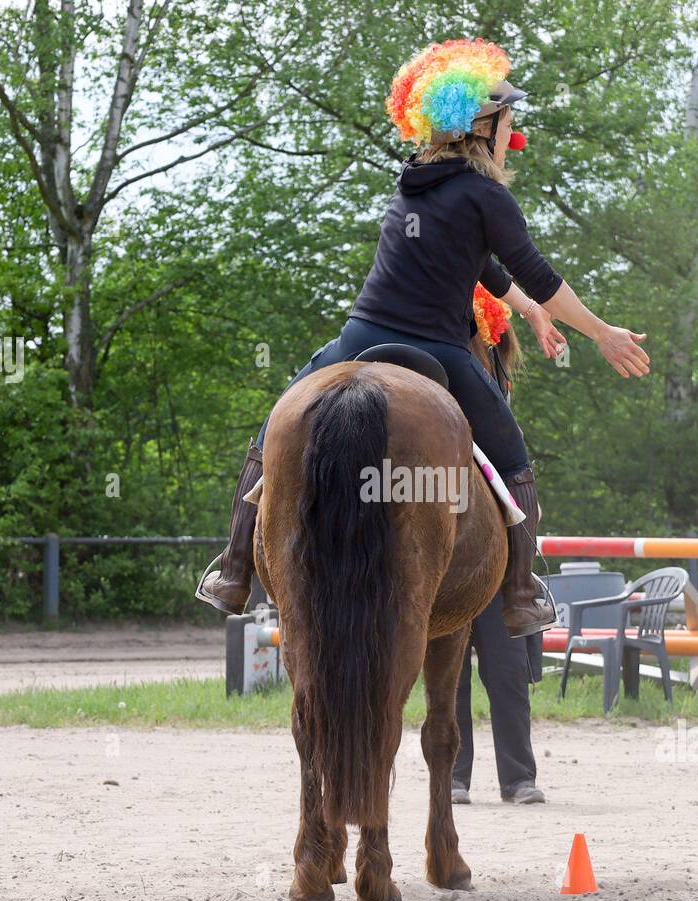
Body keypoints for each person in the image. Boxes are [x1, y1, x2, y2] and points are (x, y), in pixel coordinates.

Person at [197, 37, 649, 637]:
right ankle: (519, 592)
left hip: (357, 337)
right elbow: (537, 274)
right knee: (512, 459)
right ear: (482, 124)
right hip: (435, 349)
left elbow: (483, 269)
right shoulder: (488, 195)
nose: (515, 128)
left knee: (272, 434)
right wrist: (600, 332)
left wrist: (532, 314)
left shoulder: (413, 182)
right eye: (509, 117)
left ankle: (232, 570)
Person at [453, 298, 544, 804]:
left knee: (506, 672)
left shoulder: (493, 378)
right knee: (450, 676)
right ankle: (455, 775)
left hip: (491, 555)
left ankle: (519, 777)